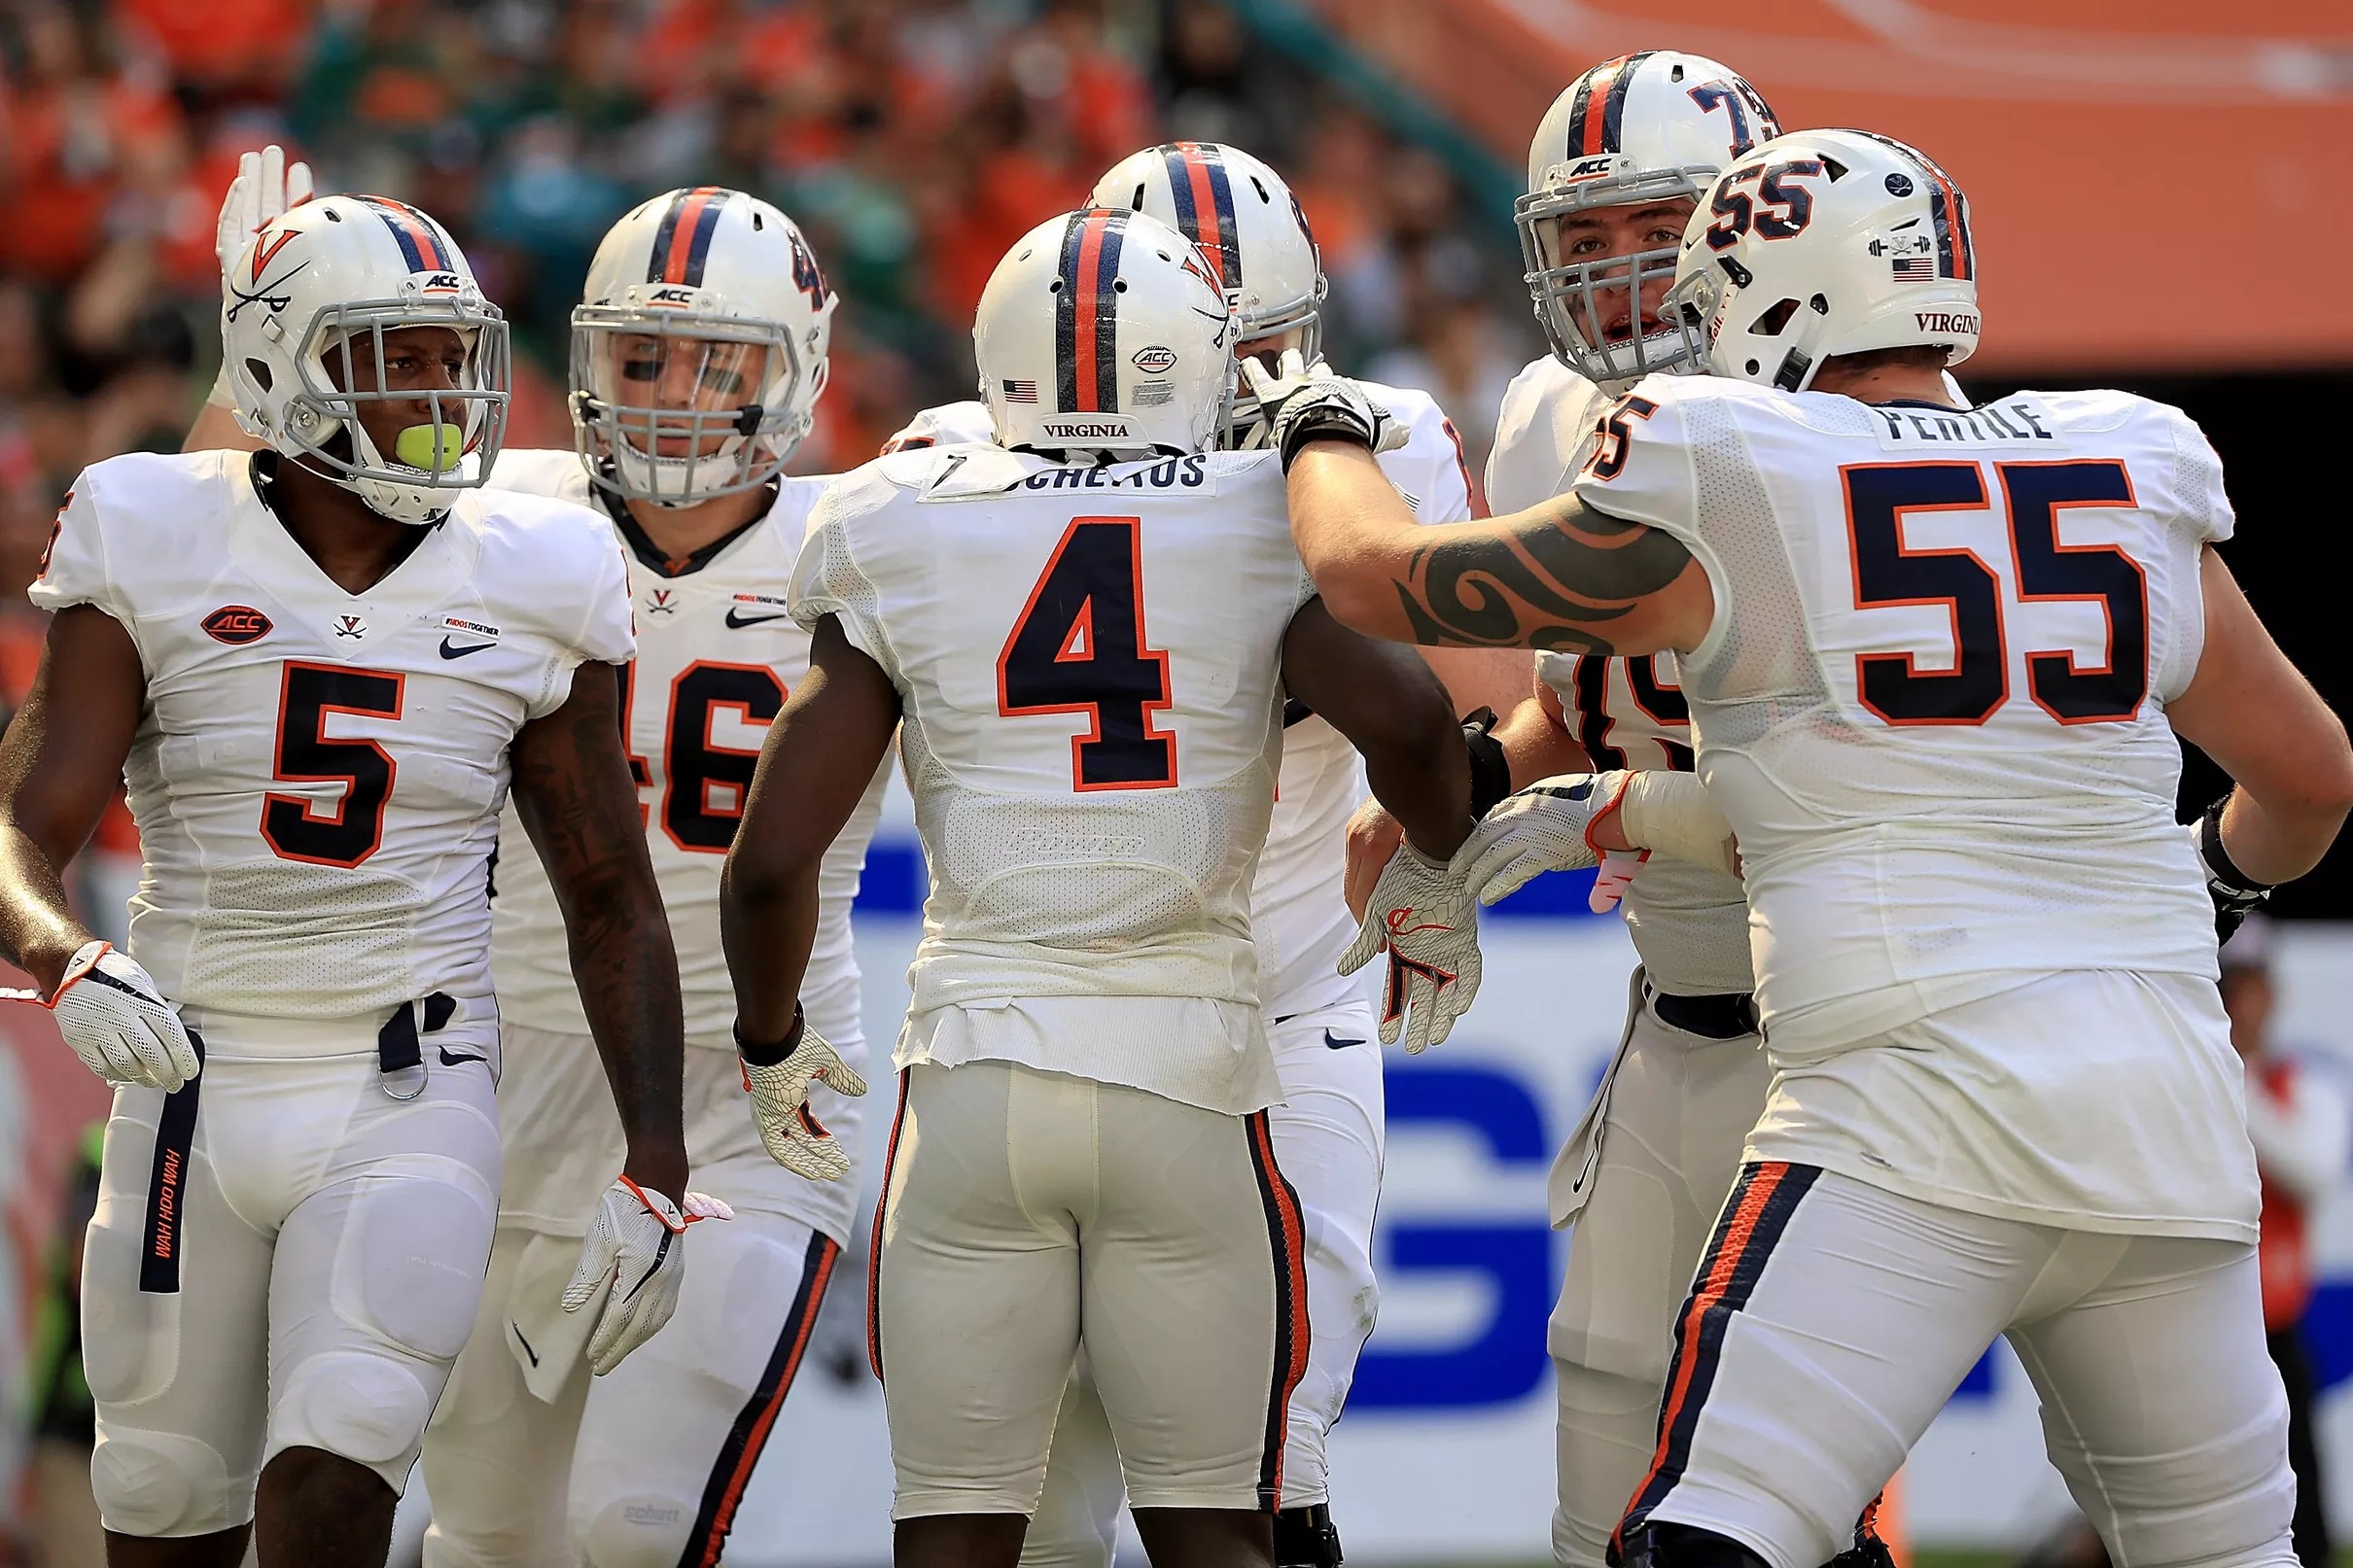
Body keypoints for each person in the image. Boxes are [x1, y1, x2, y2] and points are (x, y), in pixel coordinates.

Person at [1254, 126, 2353, 1568]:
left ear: (1772, 294)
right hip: (2166, 1119)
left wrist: (1320, 428)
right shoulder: (2121, 457)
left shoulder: (1736, 463)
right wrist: (2203, 885)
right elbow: (2313, 781)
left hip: (1908, 1108)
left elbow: (1375, 577)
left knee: (1709, 1538)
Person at [720, 207, 1477, 1568]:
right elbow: (1418, 725)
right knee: (1215, 1529)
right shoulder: (1255, 515)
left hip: (970, 1078)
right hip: (1189, 1072)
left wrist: (769, 1040)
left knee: (953, 1535)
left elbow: (773, 856)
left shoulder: (901, 519)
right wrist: (1432, 864)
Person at [0, 189, 692, 1566]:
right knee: (164, 1503)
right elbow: (19, 827)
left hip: (412, 1079)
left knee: (342, 1466)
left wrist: (656, 1159)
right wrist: (59, 954)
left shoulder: (537, 568)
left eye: (453, 354)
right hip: (186, 1080)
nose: (441, 393)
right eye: (396, 355)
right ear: (278, 367)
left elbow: (607, 883)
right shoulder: (153, 529)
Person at [1338, 53, 1803, 1568]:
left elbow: (1864, 790)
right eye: (1583, 241)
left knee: (1794, 1487)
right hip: (1676, 1016)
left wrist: (1590, 825)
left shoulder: (1830, 428)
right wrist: (1460, 803)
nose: (1613, 277)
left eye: (1650, 230)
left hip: (1848, 1024)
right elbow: (1586, 704)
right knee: (1601, 1483)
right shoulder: (1554, 414)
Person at [404, 188, 888, 1567]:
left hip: (750, 1092)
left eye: (718, 361)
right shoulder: (492, 519)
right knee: (490, 1532)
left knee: (637, 1521)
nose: (675, 394)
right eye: (643, 356)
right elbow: (241, 534)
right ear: (585, 359)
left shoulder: (868, 537)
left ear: (795, 366)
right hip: (499, 1081)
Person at [2221, 917, 2346, 1568]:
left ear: (2272, 993)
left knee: (2307, 1530)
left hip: (2275, 1334)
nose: (2241, 1000)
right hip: (2197, 1334)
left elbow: (2313, 1167)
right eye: (2229, 984)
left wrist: (2224, 1076)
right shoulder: (2182, 1086)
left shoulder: (2302, 1086)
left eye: (2252, 984)